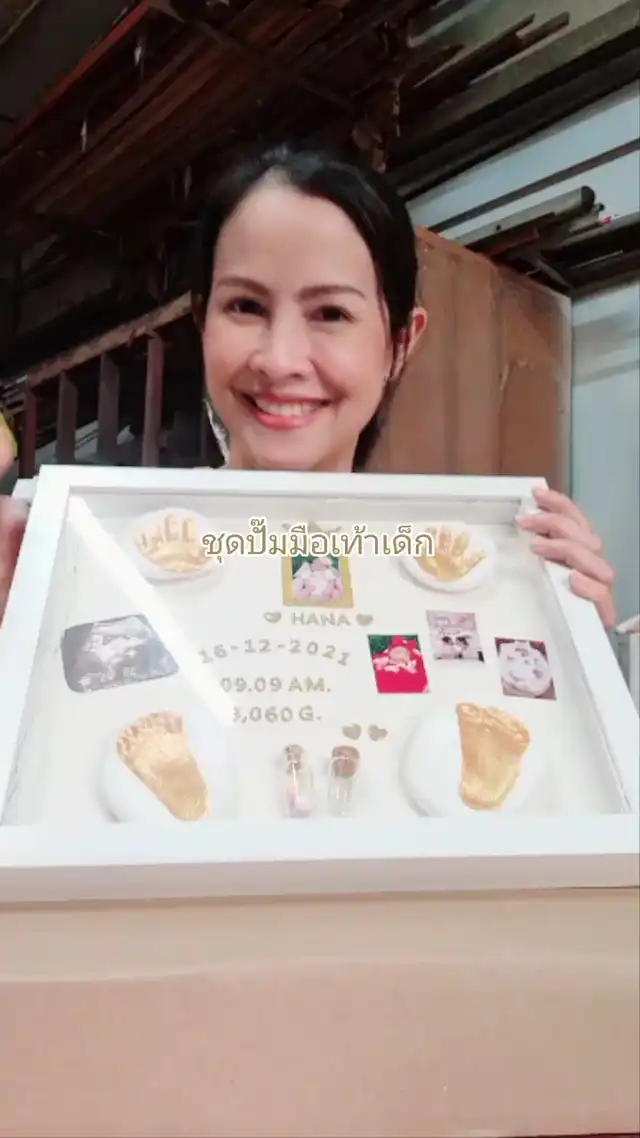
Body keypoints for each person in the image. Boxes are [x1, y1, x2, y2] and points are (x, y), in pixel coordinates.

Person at [0, 143, 616, 628]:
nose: (280, 360)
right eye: (245, 306)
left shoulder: (466, 573)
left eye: (331, 314)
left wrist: (578, 646)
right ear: (203, 320)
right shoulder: (99, 553)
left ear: (401, 343)